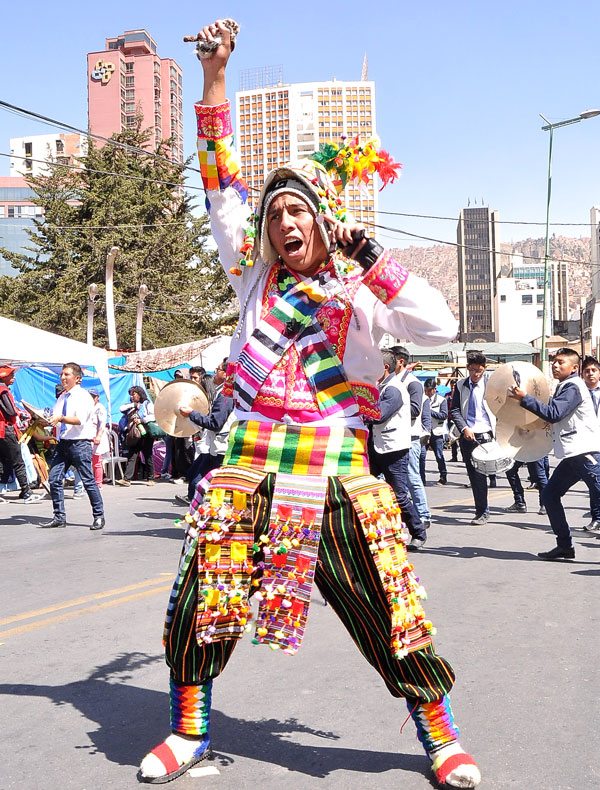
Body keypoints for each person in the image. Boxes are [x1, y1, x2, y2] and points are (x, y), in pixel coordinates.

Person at [138, 21, 480, 789]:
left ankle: (439, 736)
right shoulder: (251, 281)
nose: (284, 224)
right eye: (275, 217)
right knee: (202, 595)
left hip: (334, 467)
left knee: (386, 601)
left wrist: (374, 260)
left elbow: (440, 325)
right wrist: (215, 79)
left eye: (298, 213)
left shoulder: (363, 294)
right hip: (247, 465)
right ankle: (188, 730)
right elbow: (219, 184)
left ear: (325, 222)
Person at [510, 347, 600, 560]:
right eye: (554, 361)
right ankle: (565, 546)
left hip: (585, 452)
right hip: (573, 455)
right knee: (550, 495)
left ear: (574, 368)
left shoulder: (573, 387)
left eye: (561, 362)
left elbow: (554, 413)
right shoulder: (564, 387)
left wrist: (525, 398)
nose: (555, 365)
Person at [369, 350, 428, 550]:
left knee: (399, 494)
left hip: (393, 450)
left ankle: (418, 532)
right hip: (377, 447)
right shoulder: (381, 385)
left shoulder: (394, 389)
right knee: (364, 486)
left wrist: (362, 411)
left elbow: (379, 415)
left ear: (384, 367)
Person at [42, 363, 105, 530]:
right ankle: (59, 517)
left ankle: (98, 516)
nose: (63, 377)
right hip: (63, 443)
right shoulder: (62, 397)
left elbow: (79, 420)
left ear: (77, 379)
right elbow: (55, 417)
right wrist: (43, 419)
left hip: (80, 443)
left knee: (88, 481)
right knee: (54, 479)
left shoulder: (83, 396)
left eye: (66, 375)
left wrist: (61, 418)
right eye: (62, 374)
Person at [176, 360, 235, 506]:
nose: (215, 372)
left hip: (221, 449)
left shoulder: (226, 395)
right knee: (197, 481)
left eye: (218, 369)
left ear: (226, 373)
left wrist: (191, 413)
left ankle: (203, 518)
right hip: (214, 448)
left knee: (205, 486)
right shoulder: (223, 392)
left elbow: (215, 423)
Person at [450, 352, 496, 525]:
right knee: (474, 475)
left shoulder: (491, 384)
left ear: (484, 369)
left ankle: (484, 510)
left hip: (487, 434)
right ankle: (481, 511)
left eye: (480, 370)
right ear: (468, 368)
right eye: (473, 370)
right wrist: (464, 428)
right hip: (468, 435)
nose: (476, 374)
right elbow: (454, 410)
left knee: (483, 474)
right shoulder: (460, 385)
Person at [389, 346, 432, 527]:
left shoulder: (412, 383)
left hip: (411, 437)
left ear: (400, 361)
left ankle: (423, 515)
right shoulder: (390, 380)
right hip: (393, 436)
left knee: (413, 478)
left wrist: (391, 407)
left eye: (391, 359)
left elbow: (415, 410)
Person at [0, 365, 43, 503]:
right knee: (18, 461)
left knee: (3, 461)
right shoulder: (3, 390)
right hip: (6, 429)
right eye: (11, 375)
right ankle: (26, 492)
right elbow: (10, 411)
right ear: (4, 376)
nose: (14, 377)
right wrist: (20, 413)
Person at [116, 386, 157, 486]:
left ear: (139, 394)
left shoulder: (147, 404)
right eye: (131, 394)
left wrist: (141, 420)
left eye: (133, 394)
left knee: (147, 455)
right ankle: (127, 479)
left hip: (146, 433)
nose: (131, 396)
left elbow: (153, 416)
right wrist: (134, 405)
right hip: (135, 434)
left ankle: (151, 478)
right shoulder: (131, 406)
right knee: (132, 455)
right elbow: (121, 408)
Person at [582, 355, 600, 532]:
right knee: (594, 483)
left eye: (594, 370)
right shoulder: (578, 393)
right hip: (588, 443)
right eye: (586, 371)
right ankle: (596, 517)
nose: (590, 373)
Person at [425, 378, 448, 485]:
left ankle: (443, 476)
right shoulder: (422, 399)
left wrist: (430, 412)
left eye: (430, 390)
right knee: (421, 456)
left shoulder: (441, 400)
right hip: (424, 432)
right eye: (426, 390)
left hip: (437, 432)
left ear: (434, 389)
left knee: (439, 455)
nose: (428, 392)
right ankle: (421, 477)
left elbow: (444, 415)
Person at [89, 389, 110, 486]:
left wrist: (98, 436)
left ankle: (98, 483)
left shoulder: (100, 408)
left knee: (97, 460)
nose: (91, 398)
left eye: (93, 396)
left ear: (97, 397)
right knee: (89, 461)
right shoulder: (87, 407)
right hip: (88, 436)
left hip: (97, 437)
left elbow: (102, 424)